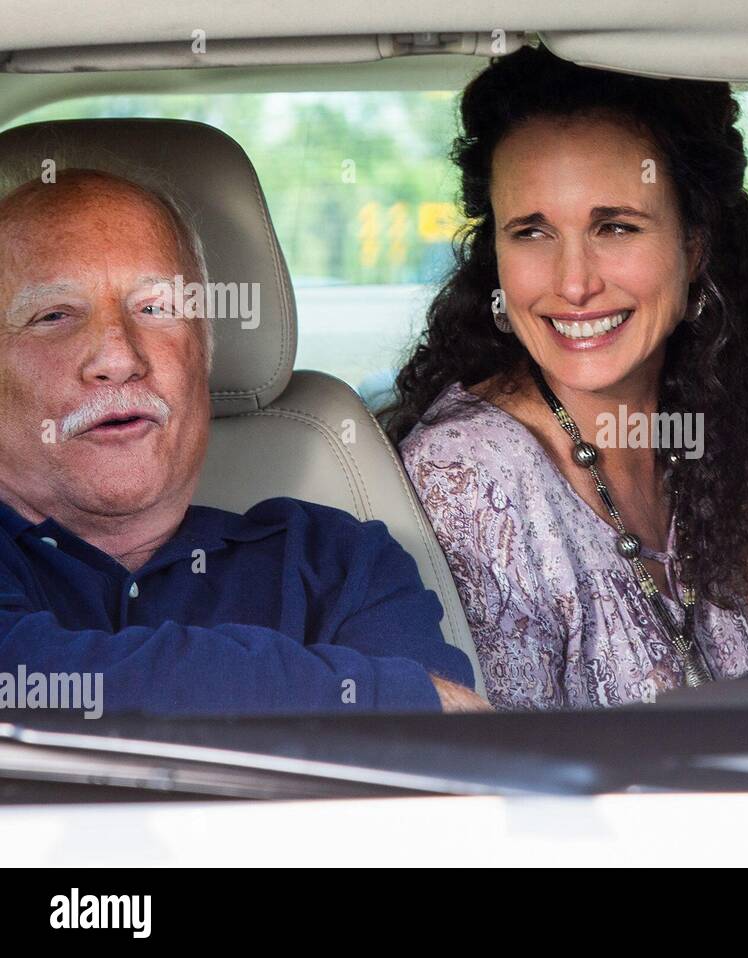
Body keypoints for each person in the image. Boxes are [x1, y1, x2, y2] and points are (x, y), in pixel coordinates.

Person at [389, 44, 748, 710]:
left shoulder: (744, 411)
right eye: (532, 233)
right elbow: (511, 776)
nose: (574, 283)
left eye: (616, 226)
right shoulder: (467, 480)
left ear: (694, 245)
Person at [0, 167, 487, 715]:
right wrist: (384, 692)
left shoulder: (339, 563)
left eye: (156, 308)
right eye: (54, 315)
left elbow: (429, 767)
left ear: (204, 349)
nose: (119, 358)